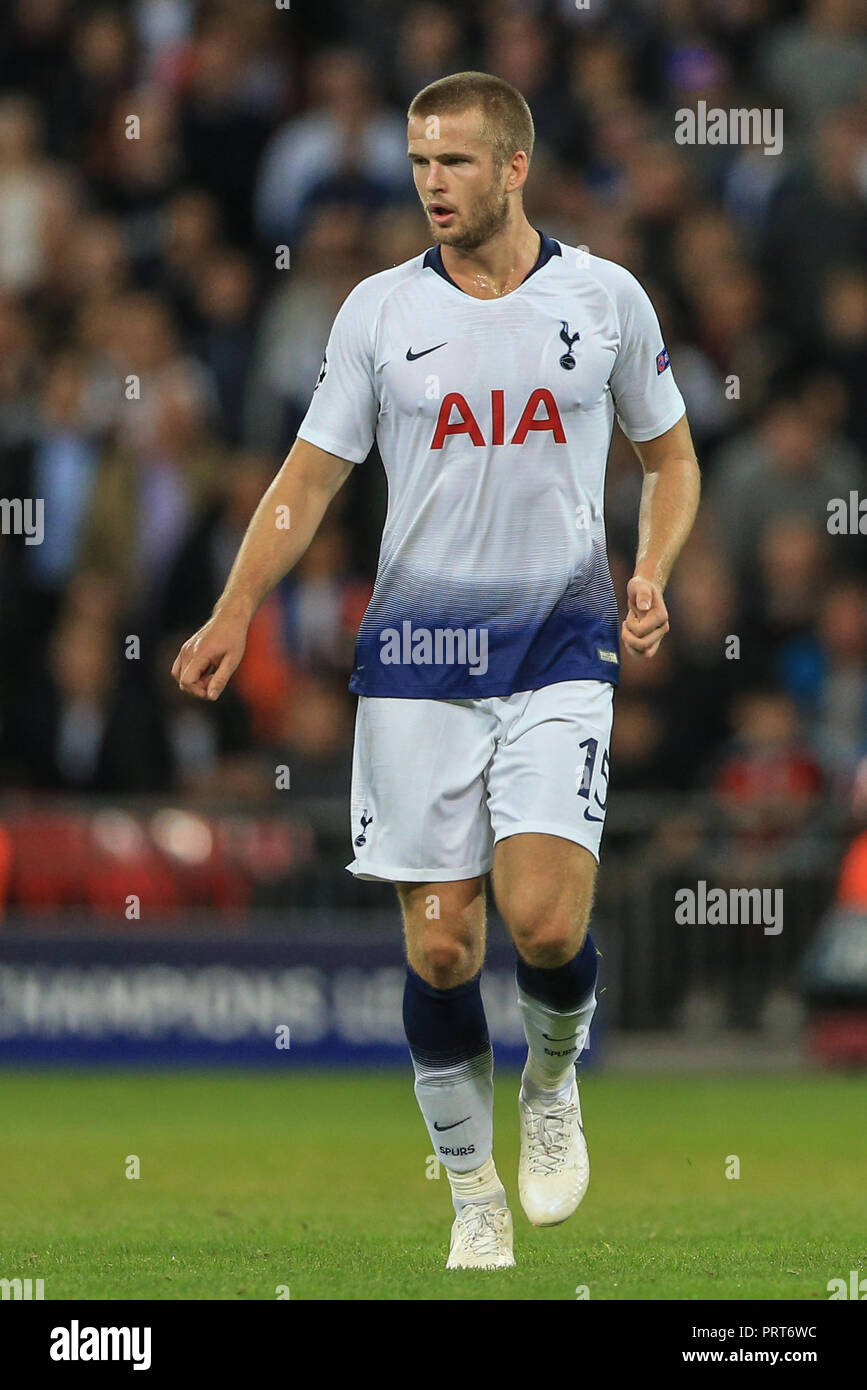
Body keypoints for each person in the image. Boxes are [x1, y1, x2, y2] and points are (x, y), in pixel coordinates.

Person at [172, 71, 700, 1269]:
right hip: (417, 661)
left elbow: (670, 458)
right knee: (445, 950)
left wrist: (654, 568)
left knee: (547, 921)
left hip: (562, 645)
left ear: (514, 166)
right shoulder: (372, 313)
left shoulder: (604, 297)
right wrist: (233, 608)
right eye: (418, 164)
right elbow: (308, 480)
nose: (431, 185)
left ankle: (552, 1087)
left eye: (454, 162)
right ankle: (472, 1192)